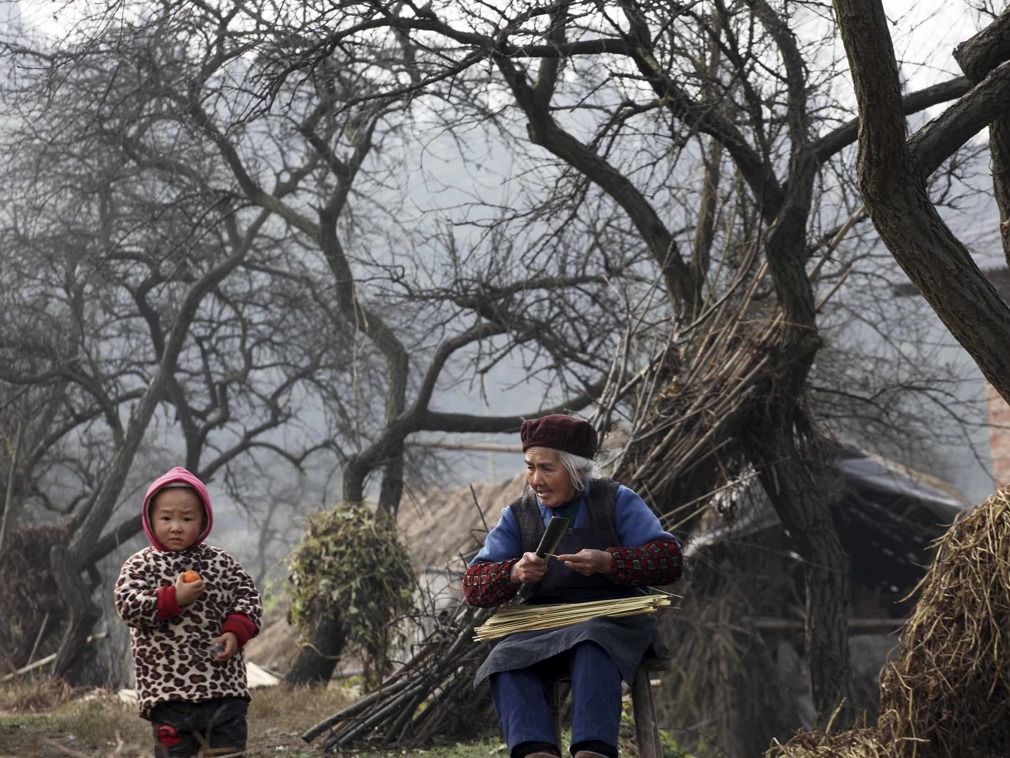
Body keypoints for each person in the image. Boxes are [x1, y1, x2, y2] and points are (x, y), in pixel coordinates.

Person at [463, 414, 684, 758]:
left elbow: (669, 559)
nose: (535, 480)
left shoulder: (616, 501)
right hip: (542, 624)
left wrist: (610, 562)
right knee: (504, 658)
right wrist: (513, 573)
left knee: (592, 640)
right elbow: (474, 586)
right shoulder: (518, 515)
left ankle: (592, 751)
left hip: (613, 619)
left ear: (578, 470)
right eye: (530, 467)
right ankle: (535, 751)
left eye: (547, 468)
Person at [114, 467, 262, 757]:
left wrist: (235, 630)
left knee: (227, 752)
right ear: (150, 520)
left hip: (222, 688)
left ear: (204, 520)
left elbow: (249, 597)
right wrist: (173, 598)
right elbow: (127, 605)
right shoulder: (140, 565)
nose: (176, 527)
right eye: (166, 518)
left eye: (187, 518)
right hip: (167, 693)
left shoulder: (221, 562)